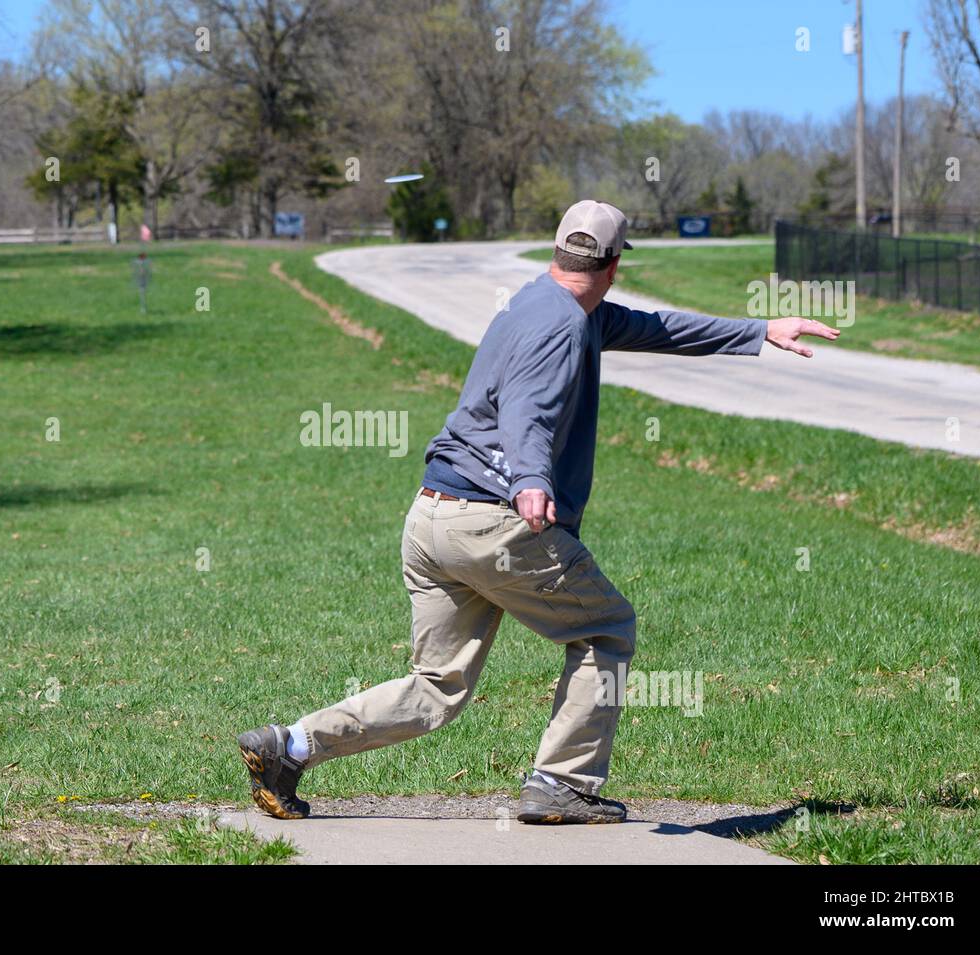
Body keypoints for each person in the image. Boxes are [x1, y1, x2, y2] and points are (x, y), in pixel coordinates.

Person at [238, 200, 839, 824]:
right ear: (612, 266)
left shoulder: (541, 301)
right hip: (495, 521)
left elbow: (654, 328)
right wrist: (530, 477)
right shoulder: (564, 328)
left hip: (433, 517)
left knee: (437, 685)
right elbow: (529, 406)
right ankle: (562, 783)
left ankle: (291, 745)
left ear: (560, 254)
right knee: (605, 630)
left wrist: (758, 331)